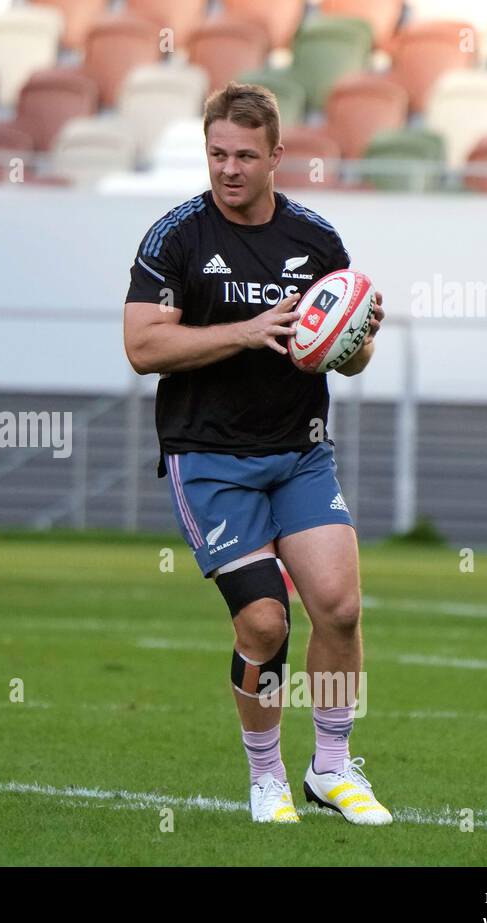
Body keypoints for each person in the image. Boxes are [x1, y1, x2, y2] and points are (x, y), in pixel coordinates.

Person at [122, 83, 392, 825]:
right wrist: (242, 331)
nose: (229, 169)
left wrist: (358, 337)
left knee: (339, 607)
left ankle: (331, 769)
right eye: (216, 154)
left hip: (300, 453)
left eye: (245, 155)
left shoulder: (315, 239)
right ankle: (266, 775)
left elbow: (353, 360)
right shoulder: (175, 236)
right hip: (208, 458)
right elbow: (143, 346)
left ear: (276, 155)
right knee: (266, 624)